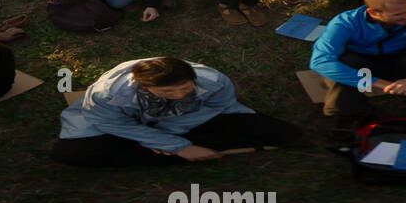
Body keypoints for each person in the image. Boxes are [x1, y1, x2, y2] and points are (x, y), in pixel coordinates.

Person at [52, 56, 303, 165]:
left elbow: (221, 108)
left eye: (184, 87)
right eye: (168, 93)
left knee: (285, 134)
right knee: (71, 153)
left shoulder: (214, 81)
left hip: (190, 118)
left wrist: (170, 138)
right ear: (145, 87)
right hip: (119, 125)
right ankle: (194, 150)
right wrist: (180, 146)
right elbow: (113, 125)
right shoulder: (106, 95)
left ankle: (177, 150)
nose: (180, 94)